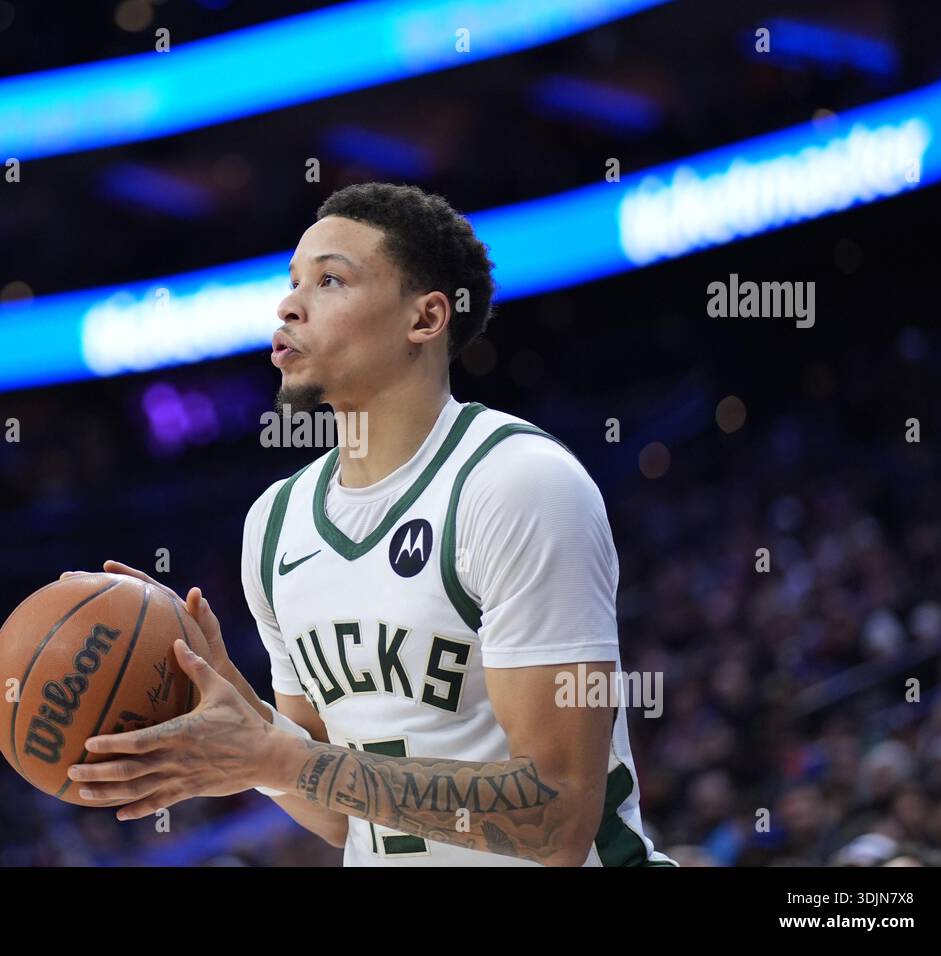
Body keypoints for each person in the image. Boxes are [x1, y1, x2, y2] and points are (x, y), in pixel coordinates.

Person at [65, 182, 674, 867]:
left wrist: (285, 760)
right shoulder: (275, 526)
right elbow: (336, 815)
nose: (289, 305)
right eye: (293, 282)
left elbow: (555, 820)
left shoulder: (515, 483)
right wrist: (247, 718)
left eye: (331, 280)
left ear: (426, 318)